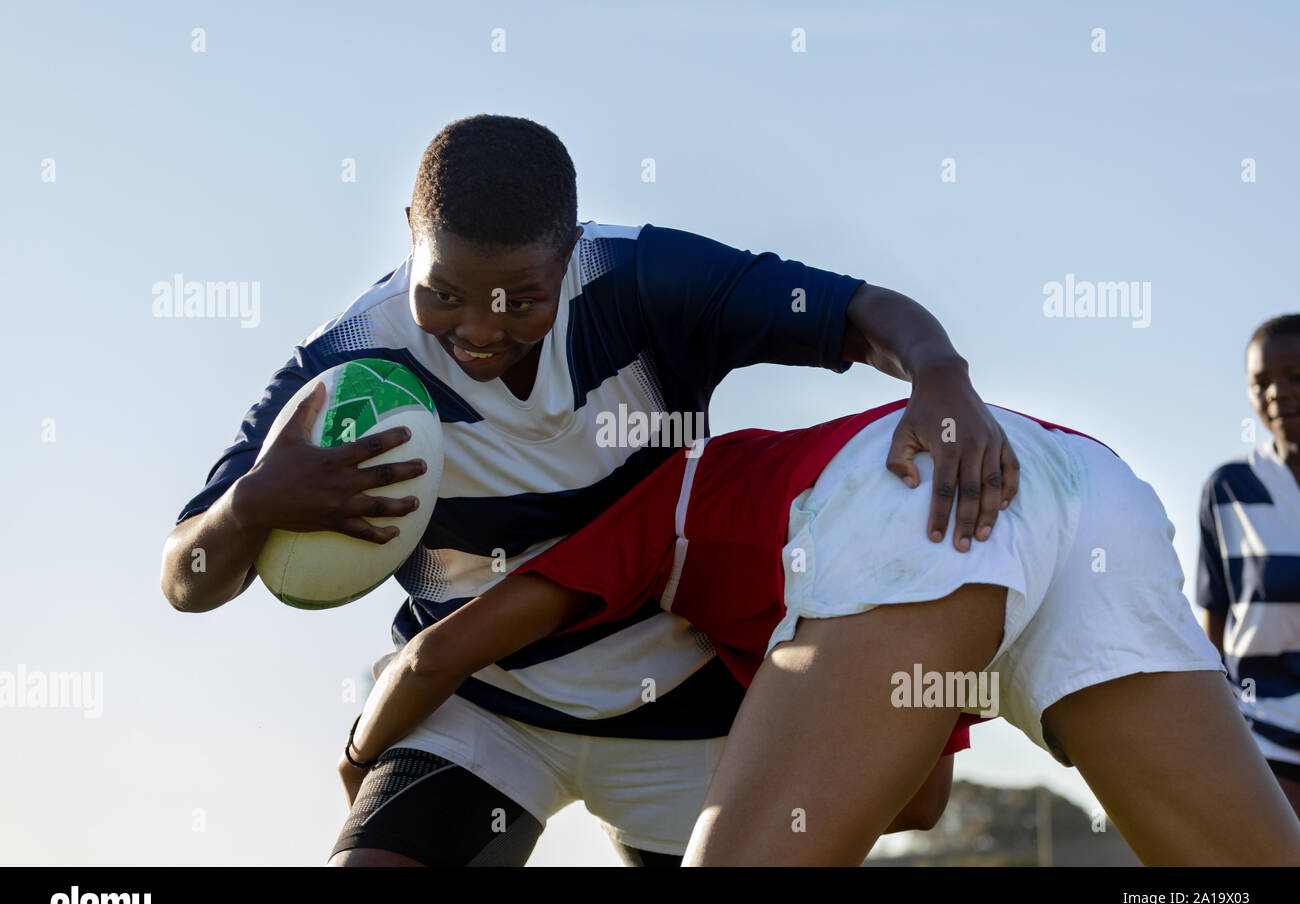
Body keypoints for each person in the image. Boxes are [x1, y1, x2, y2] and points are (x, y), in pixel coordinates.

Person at [161, 113, 1018, 867]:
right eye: (444, 293)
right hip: (479, 708)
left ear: (570, 253)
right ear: (411, 231)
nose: (480, 330)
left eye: (520, 300)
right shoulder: (348, 360)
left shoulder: (640, 281)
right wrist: (252, 505)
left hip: (683, 710)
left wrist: (939, 374)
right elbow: (187, 578)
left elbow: (856, 308)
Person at [340, 399, 1300, 865]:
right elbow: (919, 800)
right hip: (1090, 485)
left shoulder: (669, 493)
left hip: (918, 485)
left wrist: (360, 761)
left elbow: (438, 652)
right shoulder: (801, 634)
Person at [1197, 313, 1300, 818]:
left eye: (1296, 377)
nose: (1278, 393)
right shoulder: (1229, 489)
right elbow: (1213, 619)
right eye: (1262, 381)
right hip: (1260, 736)